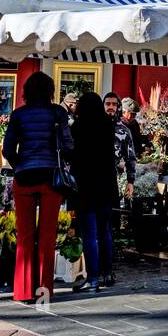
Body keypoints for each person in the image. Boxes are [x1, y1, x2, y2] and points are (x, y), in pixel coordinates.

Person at [2, 72, 74, 304]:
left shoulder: (18, 114)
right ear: (50, 91)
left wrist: (19, 164)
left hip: (24, 177)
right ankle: (44, 290)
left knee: (24, 235)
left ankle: (23, 291)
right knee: (47, 235)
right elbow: (68, 145)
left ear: (27, 91)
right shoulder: (58, 113)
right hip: (51, 177)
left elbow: (8, 148)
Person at [68, 92, 118, 292]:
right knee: (105, 230)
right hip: (105, 184)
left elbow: (72, 155)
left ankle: (93, 278)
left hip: (86, 186)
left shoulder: (78, 127)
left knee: (89, 233)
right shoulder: (108, 125)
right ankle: (108, 273)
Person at [104, 93, 136, 203]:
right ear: (103, 105)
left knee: (111, 214)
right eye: (108, 104)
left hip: (112, 179)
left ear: (118, 107)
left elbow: (130, 157)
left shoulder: (124, 130)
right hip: (92, 179)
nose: (111, 107)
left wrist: (130, 181)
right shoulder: (95, 127)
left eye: (114, 104)